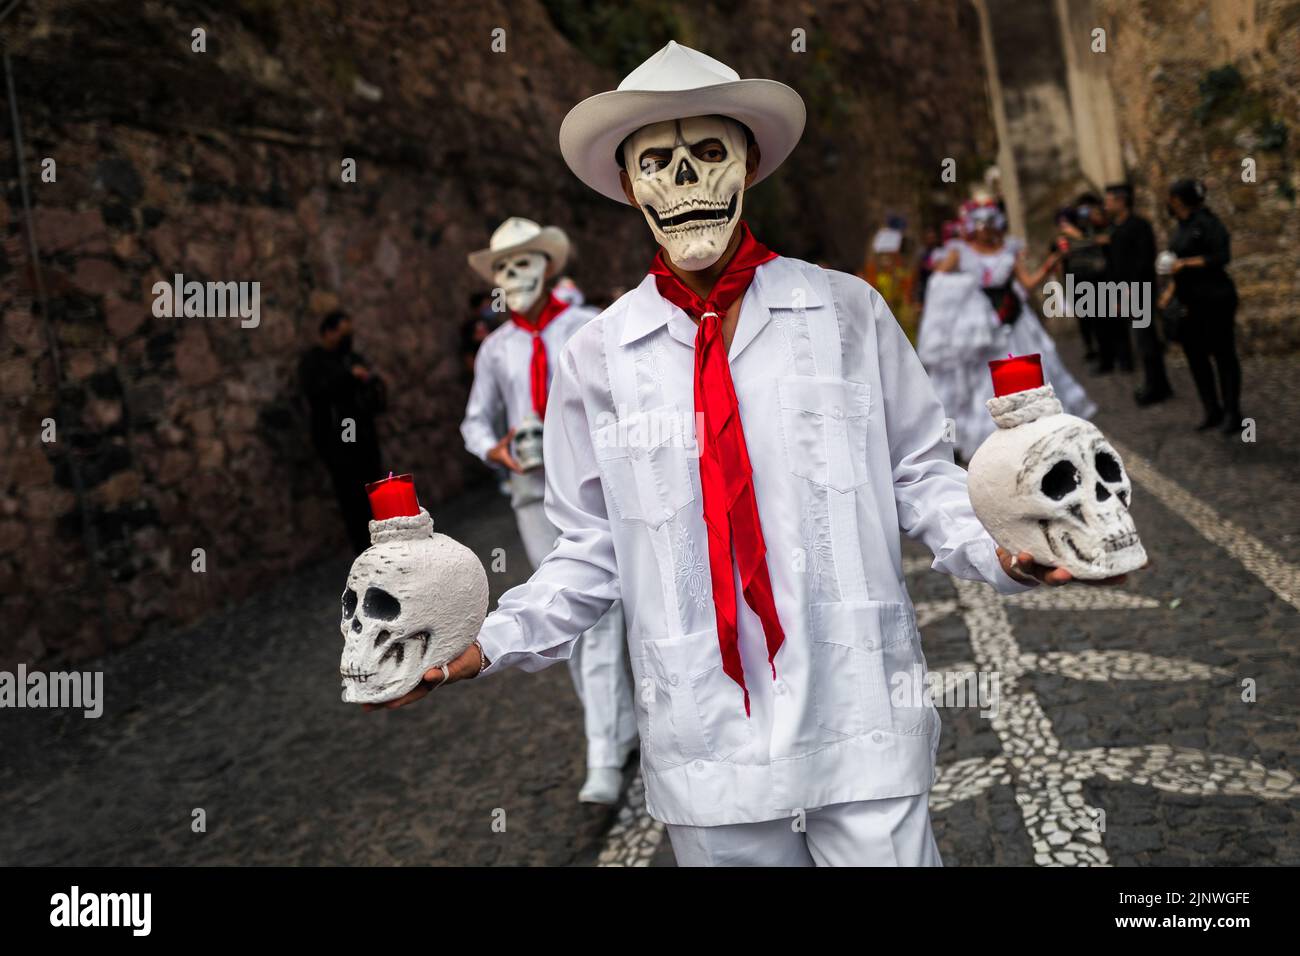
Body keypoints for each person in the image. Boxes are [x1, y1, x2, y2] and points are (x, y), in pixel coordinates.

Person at [373, 43, 1126, 867]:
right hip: (705, 738)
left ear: (751, 163)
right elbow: (590, 546)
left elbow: (918, 470)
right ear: (629, 187)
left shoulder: (847, 313)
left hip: (858, 711)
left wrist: (1002, 547)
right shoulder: (599, 355)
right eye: (658, 162)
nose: (686, 181)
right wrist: (492, 641)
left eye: (708, 154)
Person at [460, 216, 637, 805]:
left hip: (604, 486)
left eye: (524, 263)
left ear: (550, 265)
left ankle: (606, 750)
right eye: (503, 268)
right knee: (576, 612)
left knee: (611, 612)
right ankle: (616, 732)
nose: (514, 276)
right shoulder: (495, 350)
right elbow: (474, 420)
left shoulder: (590, 327)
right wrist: (496, 449)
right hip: (533, 497)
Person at [920, 197, 1096, 460]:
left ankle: (1035, 430)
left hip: (1015, 322)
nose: (985, 229)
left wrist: (1050, 263)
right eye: (979, 223)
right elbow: (939, 282)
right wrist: (965, 298)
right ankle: (993, 443)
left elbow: (1026, 283)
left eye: (990, 223)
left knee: (1029, 373)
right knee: (983, 382)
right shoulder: (960, 251)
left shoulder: (1008, 251)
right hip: (979, 331)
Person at [299, 311, 387, 555]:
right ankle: (364, 549)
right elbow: (318, 392)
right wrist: (349, 377)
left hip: (364, 438)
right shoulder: (315, 362)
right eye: (343, 332)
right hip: (338, 444)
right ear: (328, 332)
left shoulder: (351, 357)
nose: (347, 338)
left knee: (375, 492)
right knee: (352, 498)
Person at [1164, 179, 1241, 432]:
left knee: (1223, 355)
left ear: (1178, 200)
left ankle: (1233, 412)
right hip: (1189, 303)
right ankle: (1212, 410)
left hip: (1214, 299)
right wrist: (1169, 292)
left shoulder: (1209, 224)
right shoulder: (1181, 228)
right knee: (1196, 357)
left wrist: (1186, 264)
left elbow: (1221, 257)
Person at [1104, 183, 1170, 405]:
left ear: (1122, 201)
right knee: (1142, 340)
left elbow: (1143, 261)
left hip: (1139, 291)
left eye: (1110, 200)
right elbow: (1114, 265)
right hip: (1125, 291)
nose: (1106, 204)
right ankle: (1157, 384)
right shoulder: (1115, 228)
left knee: (1146, 341)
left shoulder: (1138, 226)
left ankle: (1157, 386)